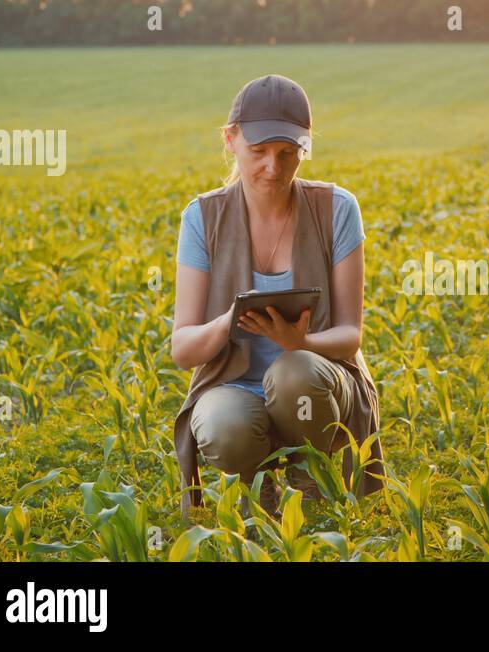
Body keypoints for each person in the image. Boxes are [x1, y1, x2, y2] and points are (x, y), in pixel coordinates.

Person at [170, 74, 384, 520]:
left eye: (288, 154)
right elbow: (184, 349)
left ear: (305, 149)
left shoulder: (337, 209)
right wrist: (228, 319)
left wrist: (299, 341)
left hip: (319, 380)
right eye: (259, 152)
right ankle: (257, 493)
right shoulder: (202, 218)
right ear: (231, 140)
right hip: (234, 384)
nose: (273, 167)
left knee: (294, 372)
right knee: (225, 426)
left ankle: (311, 485)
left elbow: (349, 336)